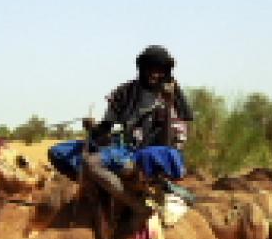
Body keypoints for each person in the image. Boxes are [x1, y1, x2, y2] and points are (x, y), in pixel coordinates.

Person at [48, 45, 194, 222]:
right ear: (142, 69)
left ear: (166, 71)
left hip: (153, 155)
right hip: (123, 148)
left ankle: (137, 206)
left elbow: (171, 146)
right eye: (150, 69)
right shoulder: (125, 93)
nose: (155, 75)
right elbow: (105, 130)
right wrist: (93, 128)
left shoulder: (173, 98)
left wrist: (169, 104)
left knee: (92, 163)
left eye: (160, 70)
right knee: (58, 152)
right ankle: (99, 188)